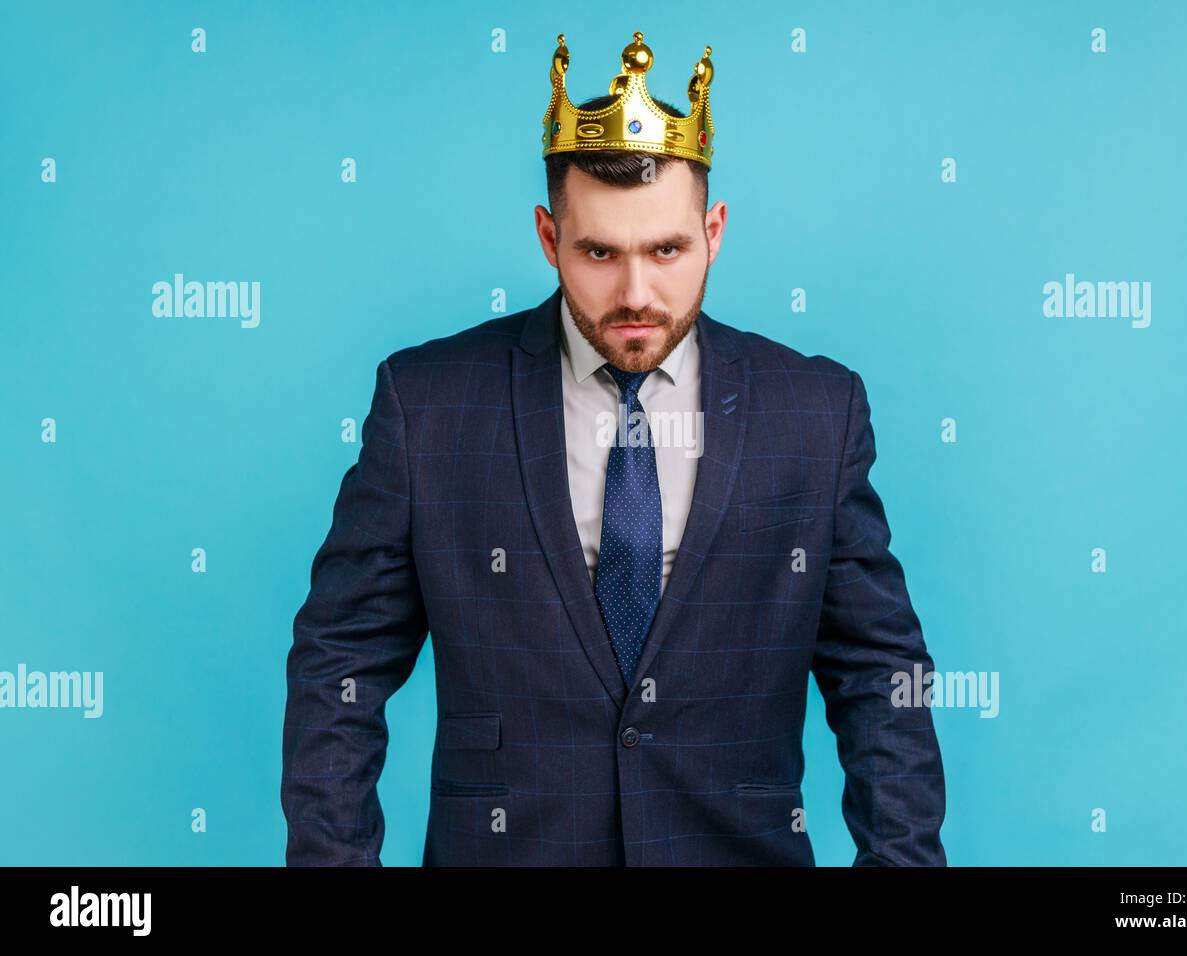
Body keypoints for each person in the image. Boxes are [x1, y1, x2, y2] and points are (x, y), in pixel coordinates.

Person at [281, 30, 947, 866]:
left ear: (714, 231)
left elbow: (881, 675)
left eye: (667, 250)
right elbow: (337, 665)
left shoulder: (817, 412)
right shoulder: (427, 405)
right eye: (599, 252)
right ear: (548, 237)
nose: (636, 294)